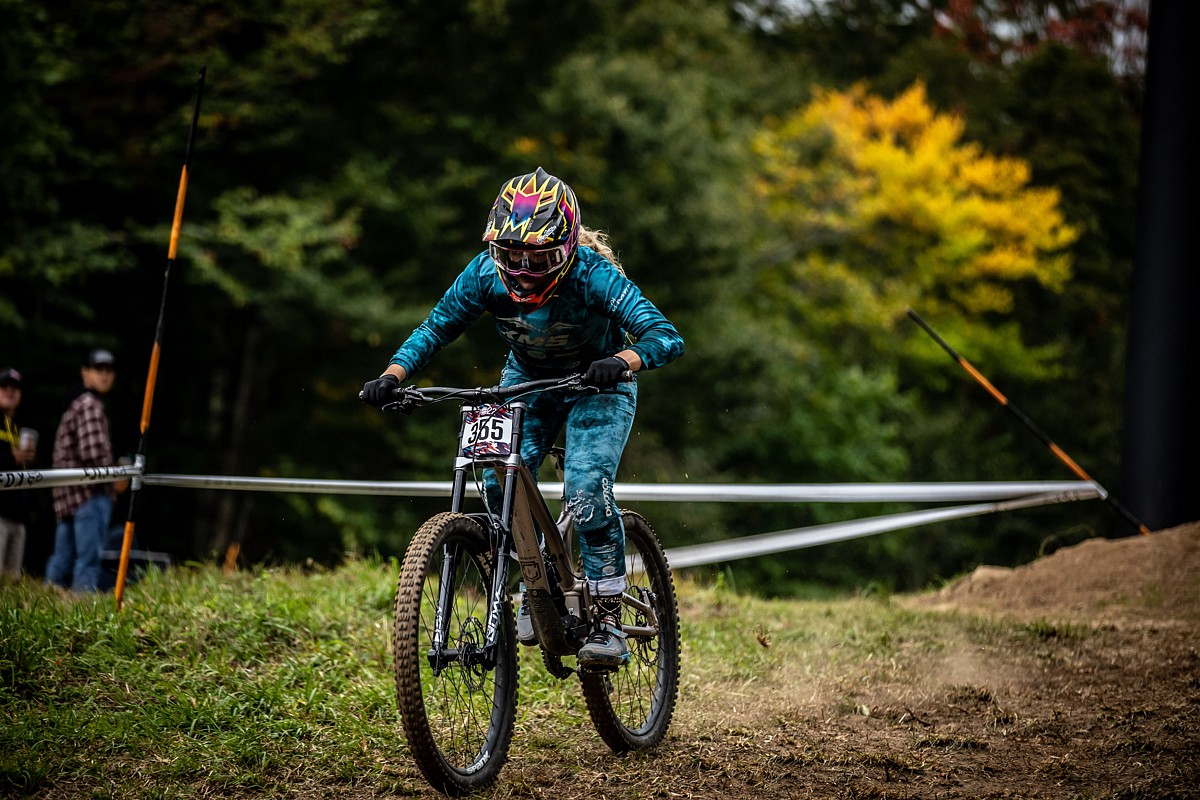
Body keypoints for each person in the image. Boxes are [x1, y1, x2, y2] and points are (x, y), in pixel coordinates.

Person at [362, 167, 684, 669]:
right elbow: (436, 327)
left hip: (598, 386)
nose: (527, 270)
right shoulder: (483, 275)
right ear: (496, 249)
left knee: (585, 486)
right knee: (495, 482)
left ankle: (607, 620)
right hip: (527, 381)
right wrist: (392, 375)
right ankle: (545, 591)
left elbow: (664, 335)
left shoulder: (594, 275)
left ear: (568, 247)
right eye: (514, 256)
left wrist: (622, 361)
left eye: (542, 257)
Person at [45, 348, 118, 592]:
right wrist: (118, 474)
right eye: (99, 370)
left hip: (67, 495)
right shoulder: (89, 404)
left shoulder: (75, 403)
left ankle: (42, 608)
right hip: (88, 495)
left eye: (109, 371)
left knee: (61, 559)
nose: (105, 376)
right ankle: (81, 619)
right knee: (88, 561)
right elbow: (93, 455)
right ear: (85, 373)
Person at [1, 367, 37, 578]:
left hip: (17, 516)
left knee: (13, 582)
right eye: (4, 386)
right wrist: (11, 457)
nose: (10, 391)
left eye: (15, 388)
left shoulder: (20, 426)